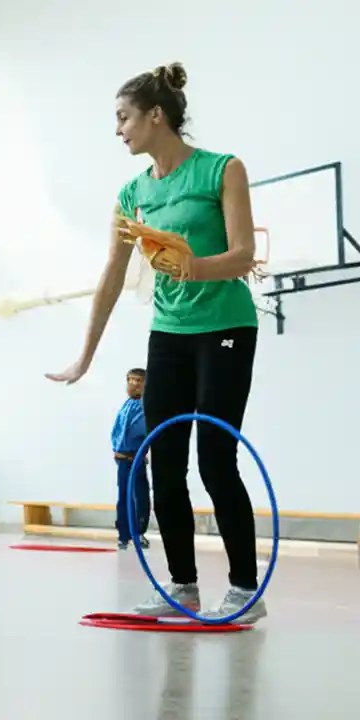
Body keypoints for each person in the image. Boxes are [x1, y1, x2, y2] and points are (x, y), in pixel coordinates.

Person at [46, 62, 266, 622]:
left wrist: (193, 266)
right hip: (168, 333)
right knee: (163, 460)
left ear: (156, 116)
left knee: (215, 459)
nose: (118, 129)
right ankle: (182, 586)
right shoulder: (132, 193)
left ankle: (245, 590)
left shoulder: (222, 169)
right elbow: (112, 276)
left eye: (124, 117)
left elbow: (244, 255)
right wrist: (84, 357)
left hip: (226, 328)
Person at [113, 368, 151, 550]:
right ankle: (123, 534)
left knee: (139, 496)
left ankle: (139, 532)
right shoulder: (126, 405)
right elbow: (119, 431)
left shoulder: (146, 406)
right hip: (122, 460)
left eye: (139, 380)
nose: (133, 384)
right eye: (130, 380)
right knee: (123, 497)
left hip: (135, 459)